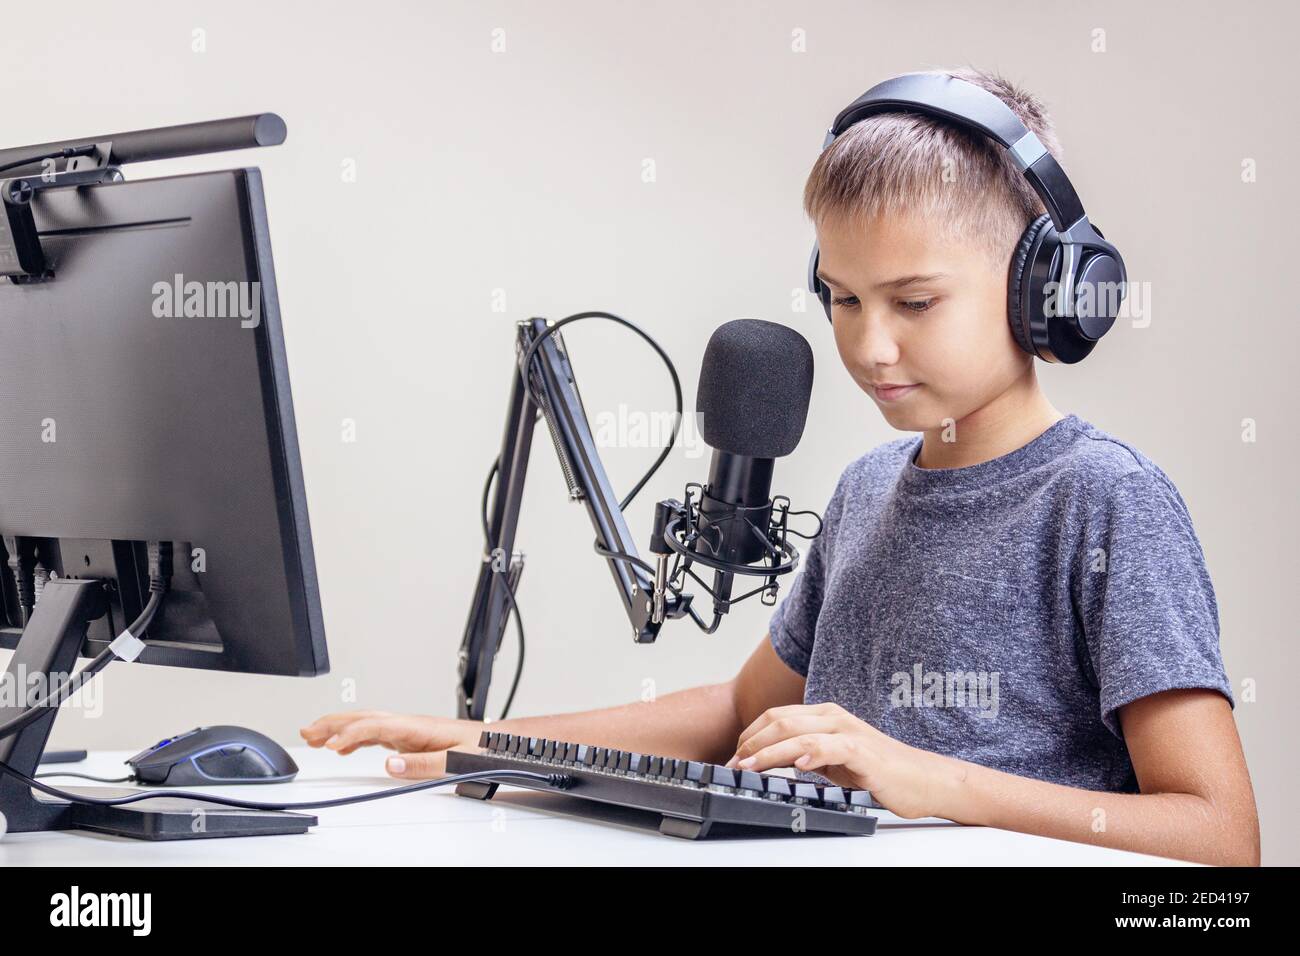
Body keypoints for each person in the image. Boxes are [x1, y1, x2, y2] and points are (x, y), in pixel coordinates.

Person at [303, 67, 1259, 866]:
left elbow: (1221, 835)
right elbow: (738, 710)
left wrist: (935, 785)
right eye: (842, 299)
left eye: (915, 302)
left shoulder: (1107, 503)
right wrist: (494, 744)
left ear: (1045, 290)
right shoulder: (869, 490)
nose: (870, 346)